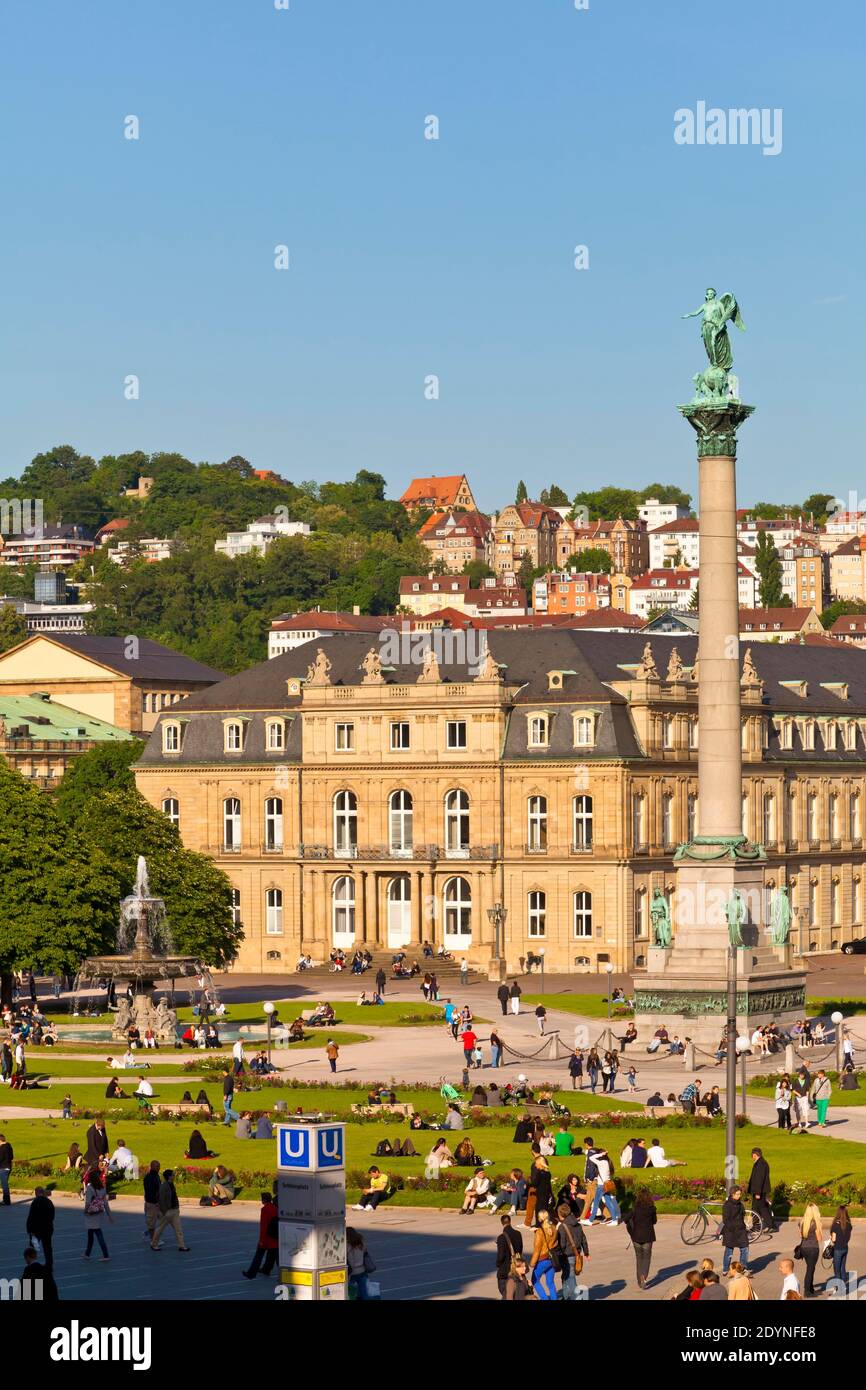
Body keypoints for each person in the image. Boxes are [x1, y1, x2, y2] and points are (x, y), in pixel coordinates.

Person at [242, 1191, 279, 1279]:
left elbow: (264, 1226)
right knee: (273, 1257)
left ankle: (251, 1274)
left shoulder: (265, 1209)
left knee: (258, 1257)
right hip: (275, 1238)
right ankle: (268, 1271)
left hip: (266, 1239)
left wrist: (261, 1240)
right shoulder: (275, 1208)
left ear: (263, 1200)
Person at [625, 1189, 657, 1289]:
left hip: (636, 1236)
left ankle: (639, 1280)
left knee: (639, 1258)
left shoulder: (634, 1208)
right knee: (647, 1258)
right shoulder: (652, 1208)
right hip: (648, 1236)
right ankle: (644, 1276)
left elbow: (626, 1219)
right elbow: (654, 1221)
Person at [556, 1200, 589, 1300]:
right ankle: (566, 1296)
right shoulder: (577, 1224)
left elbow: (562, 1244)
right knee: (566, 1276)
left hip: (567, 1256)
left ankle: (577, 1297)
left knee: (570, 1278)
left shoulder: (563, 1226)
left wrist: (557, 1254)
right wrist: (586, 1252)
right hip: (577, 1254)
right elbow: (583, 1238)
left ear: (561, 1215)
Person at [151, 1168, 190, 1250]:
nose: (174, 1176)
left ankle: (181, 1246)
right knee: (160, 1229)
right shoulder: (164, 1186)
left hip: (175, 1210)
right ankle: (154, 1244)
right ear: (169, 1176)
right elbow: (161, 1199)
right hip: (167, 1211)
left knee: (178, 1229)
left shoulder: (171, 1184)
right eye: (172, 1175)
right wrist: (164, 1211)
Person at [528, 1208, 560, 1300]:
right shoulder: (553, 1227)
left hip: (542, 1260)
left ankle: (544, 1298)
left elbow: (537, 1250)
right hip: (552, 1259)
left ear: (539, 1218)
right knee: (550, 1282)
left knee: (535, 1280)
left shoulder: (539, 1232)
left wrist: (532, 1263)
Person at [82, 1170, 113, 1260]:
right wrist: (109, 1215)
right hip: (99, 1213)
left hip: (91, 1213)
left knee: (97, 1234)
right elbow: (106, 1203)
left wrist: (85, 1211)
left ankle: (105, 1254)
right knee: (91, 1233)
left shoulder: (90, 1189)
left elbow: (87, 1202)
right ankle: (87, 1253)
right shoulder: (102, 1188)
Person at [721, 1185, 750, 1273]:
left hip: (741, 1230)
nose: (739, 1196)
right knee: (729, 1250)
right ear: (732, 1194)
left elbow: (742, 1215)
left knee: (745, 1248)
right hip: (731, 1231)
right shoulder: (727, 1205)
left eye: (740, 1194)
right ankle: (726, 1268)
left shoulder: (740, 1205)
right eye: (737, 1194)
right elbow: (725, 1220)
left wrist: (743, 1227)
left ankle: (743, 1268)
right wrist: (733, 1227)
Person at [26, 1187, 55, 1272]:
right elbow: (52, 1216)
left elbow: (31, 1216)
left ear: (37, 1193)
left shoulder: (35, 1202)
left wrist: (29, 1229)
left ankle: (31, 1265)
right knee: (48, 1248)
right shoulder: (49, 1202)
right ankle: (49, 1266)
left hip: (36, 1230)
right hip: (47, 1229)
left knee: (32, 1247)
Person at [798, 1202, 822, 1297]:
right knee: (810, 1269)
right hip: (813, 1248)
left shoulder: (802, 1222)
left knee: (810, 1268)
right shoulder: (816, 1223)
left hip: (804, 1248)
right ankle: (807, 1291)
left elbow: (800, 1235)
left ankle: (811, 1289)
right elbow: (819, 1238)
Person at [495, 1214, 523, 1296]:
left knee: (505, 1293)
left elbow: (501, 1256)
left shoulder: (501, 1237)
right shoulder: (518, 1234)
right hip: (516, 1268)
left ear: (502, 1223)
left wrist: (498, 1264)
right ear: (510, 1221)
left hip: (505, 1271)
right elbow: (520, 1251)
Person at [747, 1147, 773, 1232]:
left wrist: (758, 1192)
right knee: (755, 1208)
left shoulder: (761, 1164)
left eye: (752, 1155)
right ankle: (755, 1226)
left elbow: (759, 1179)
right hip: (758, 1191)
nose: (752, 1157)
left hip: (759, 1191)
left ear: (755, 1155)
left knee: (762, 1208)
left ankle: (770, 1225)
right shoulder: (760, 1163)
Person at [346, 1226, 376, 1300]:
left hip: (353, 1273)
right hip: (362, 1270)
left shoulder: (348, 1245)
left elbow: (351, 1261)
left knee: (351, 1294)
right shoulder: (361, 1242)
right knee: (364, 1292)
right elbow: (365, 1253)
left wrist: (349, 1273)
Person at [829, 1203, 851, 1293]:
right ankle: (844, 1286)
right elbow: (848, 1237)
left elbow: (834, 1239)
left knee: (837, 1269)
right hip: (845, 1248)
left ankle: (838, 1288)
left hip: (837, 1249)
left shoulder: (835, 1225)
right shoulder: (848, 1224)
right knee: (842, 1268)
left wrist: (831, 1238)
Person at [143, 1160, 161, 1240]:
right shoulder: (151, 1177)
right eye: (157, 1166)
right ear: (152, 1166)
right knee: (151, 1223)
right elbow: (151, 1192)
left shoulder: (155, 1176)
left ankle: (151, 1235)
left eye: (159, 1166)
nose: (159, 1168)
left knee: (156, 1221)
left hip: (153, 1202)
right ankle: (153, 1240)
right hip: (152, 1203)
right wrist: (156, 1201)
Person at [791, 1066, 811, 1133]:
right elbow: (793, 1090)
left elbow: (808, 1089)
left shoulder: (806, 1081)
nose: (802, 1076)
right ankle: (799, 1122)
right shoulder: (795, 1081)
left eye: (803, 1075)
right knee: (798, 1110)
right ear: (799, 1075)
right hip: (798, 1098)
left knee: (805, 1109)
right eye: (801, 1075)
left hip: (804, 1097)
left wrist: (807, 1097)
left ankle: (806, 1122)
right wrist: (798, 1094)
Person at [0, 1132, 12, 1206]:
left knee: (4, 1185)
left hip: (3, 1168)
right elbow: (11, 1157)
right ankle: (6, 1200)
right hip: (8, 1167)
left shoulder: (2, 1148)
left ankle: (7, 1201)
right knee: (5, 1184)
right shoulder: (9, 1146)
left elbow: (0, 1158)